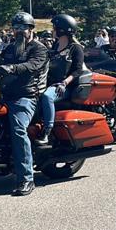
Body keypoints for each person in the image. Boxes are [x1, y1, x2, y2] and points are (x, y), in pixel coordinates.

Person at [0, 11, 49, 196]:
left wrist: (12, 68)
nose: (19, 31)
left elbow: (31, 66)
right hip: (5, 96)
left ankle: (26, 178)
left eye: (23, 27)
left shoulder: (38, 49)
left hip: (26, 97)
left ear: (31, 29)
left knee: (18, 129)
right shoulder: (9, 48)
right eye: (16, 28)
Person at [36, 14, 86, 145]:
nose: (52, 31)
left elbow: (78, 70)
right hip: (49, 83)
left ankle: (47, 131)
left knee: (47, 97)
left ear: (61, 30)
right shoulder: (55, 46)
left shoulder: (76, 48)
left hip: (65, 86)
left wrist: (65, 82)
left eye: (54, 28)